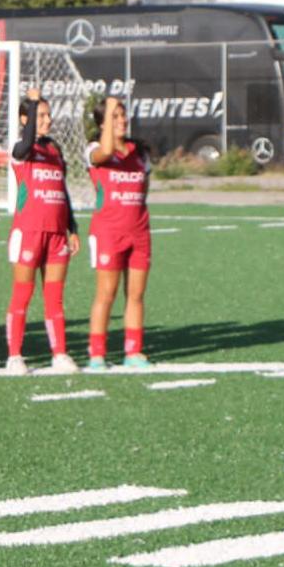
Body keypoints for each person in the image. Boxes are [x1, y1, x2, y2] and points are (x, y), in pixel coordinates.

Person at [5, 91, 81, 376]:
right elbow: (24, 144)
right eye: (41, 116)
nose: (47, 120)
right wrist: (33, 104)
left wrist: (72, 228)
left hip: (55, 234)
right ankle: (14, 355)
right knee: (23, 294)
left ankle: (59, 353)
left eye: (48, 115)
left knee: (55, 296)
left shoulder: (54, 149)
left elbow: (63, 190)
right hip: (29, 232)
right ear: (26, 119)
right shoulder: (21, 149)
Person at [86, 95, 153, 370]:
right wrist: (109, 107)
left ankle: (133, 351)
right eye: (114, 116)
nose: (122, 120)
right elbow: (104, 152)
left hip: (138, 233)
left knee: (135, 294)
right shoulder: (94, 150)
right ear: (102, 124)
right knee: (106, 293)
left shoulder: (140, 153)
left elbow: (144, 191)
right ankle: (97, 354)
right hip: (108, 233)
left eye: (123, 115)